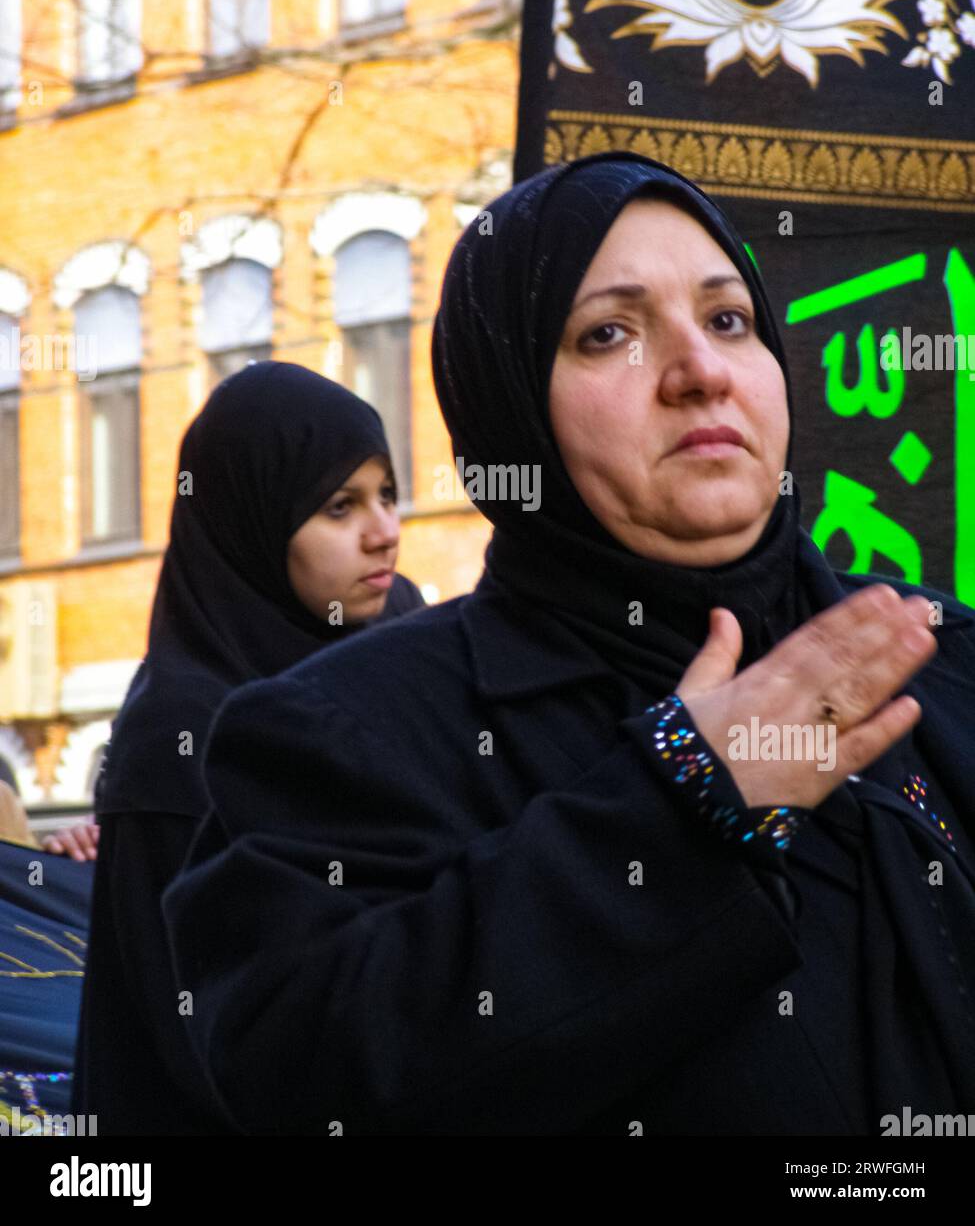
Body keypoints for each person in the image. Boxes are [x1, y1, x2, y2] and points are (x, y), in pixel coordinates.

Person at [162, 155, 975, 1136]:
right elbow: (315, 1075)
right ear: (510, 406)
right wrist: (686, 801)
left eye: (728, 319)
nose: (700, 372)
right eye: (610, 333)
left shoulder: (932, 650)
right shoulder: (348, 730)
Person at [73, 361, 425, 1133]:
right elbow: (198, 1043)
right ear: (252, 522)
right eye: (340, 506)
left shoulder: (402, 647)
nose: (385, 530)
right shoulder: (180, 735)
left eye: (388, 495)